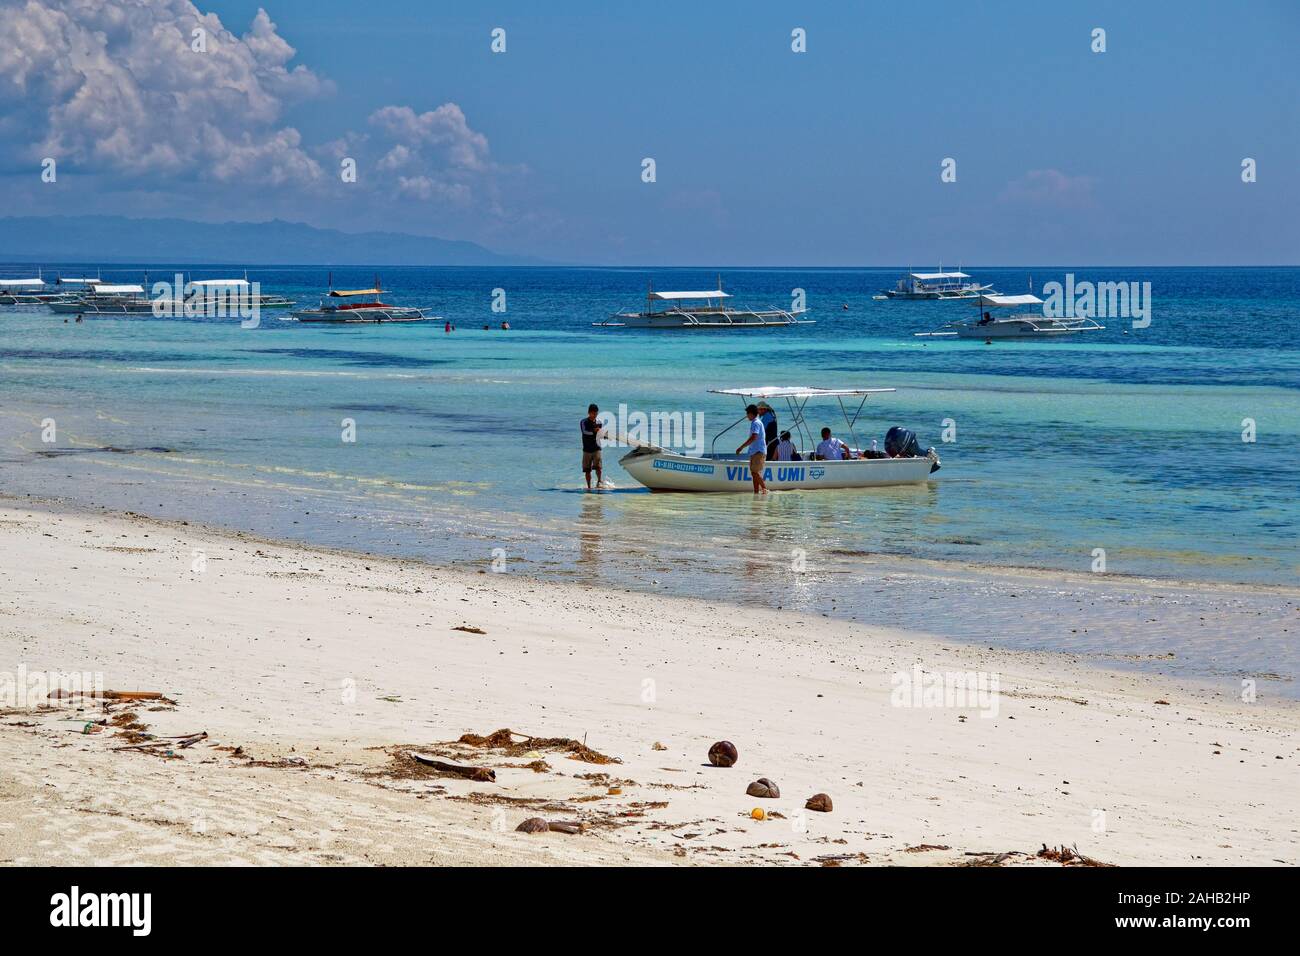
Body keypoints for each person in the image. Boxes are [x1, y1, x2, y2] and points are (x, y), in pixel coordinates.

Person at [735, 404, 768, 494]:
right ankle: (756, 492)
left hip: (758, 451)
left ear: (751, 413)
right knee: (754, 473)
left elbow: (754, 437)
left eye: (747, 413)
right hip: (755, 451)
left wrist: (741, 447)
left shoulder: (756, 423)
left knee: (754, 472)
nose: (746, 415)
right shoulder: (755, 422)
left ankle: (765, 489)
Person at [580, 403, 604, 491]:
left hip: (596, 448)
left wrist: (604, 435)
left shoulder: (599, 423)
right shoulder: (583, 422)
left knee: (599, 468)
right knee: (587, 470)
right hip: (586, 450)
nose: (595, 415)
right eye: (593, 413)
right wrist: (594, 431)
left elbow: (600, 434)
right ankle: (589, 487)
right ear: (589, 413)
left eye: (596, 413)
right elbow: (585, 432)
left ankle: (599, 482)